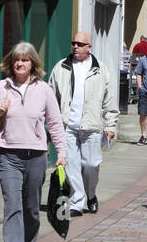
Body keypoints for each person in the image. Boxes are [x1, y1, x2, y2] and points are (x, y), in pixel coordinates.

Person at [0, 42, 67, 242]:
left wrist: (62, 153)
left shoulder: (44, 90)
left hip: (36, 156)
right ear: (11, 63)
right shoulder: (2, 87)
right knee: (12, 205)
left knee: (30, 208)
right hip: (8, 154)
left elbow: (55, 124)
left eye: (25, 60)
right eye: (16, 60)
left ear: (33, 64)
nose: (20, 63)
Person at [49, 32, 118, 215]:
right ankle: (77, 202)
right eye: (73, 43)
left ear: (89, 47)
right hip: (68, 126)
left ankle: (91, 194)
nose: (75, 47)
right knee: (71, 166)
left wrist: (110, 126)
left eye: (80, 44)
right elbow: (50, 97)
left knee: (91, 165)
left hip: (92, 126)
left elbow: (109, 101)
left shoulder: (100, 69)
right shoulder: (61, 67)